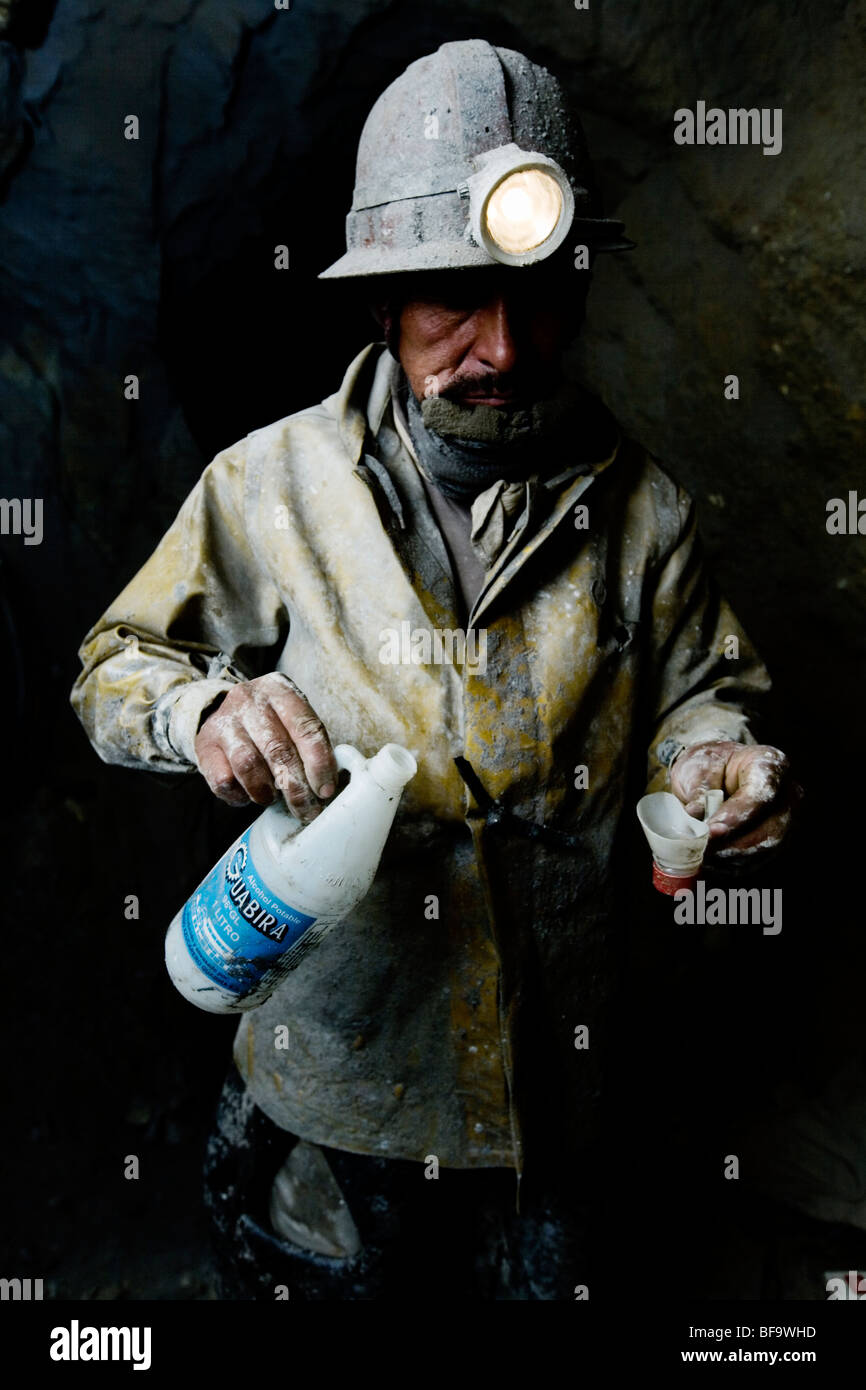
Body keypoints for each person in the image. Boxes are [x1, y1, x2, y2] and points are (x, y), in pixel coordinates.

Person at [70, 39, 799, 1300]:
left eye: (535, 297)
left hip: (556, 1085)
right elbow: (115, 664)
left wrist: (713, 759)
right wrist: (203, 709)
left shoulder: (643, 514)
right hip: (339, 1069)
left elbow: (702, 690)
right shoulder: (272, 485)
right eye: (451, 296)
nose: (501, 347)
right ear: (379, 302)